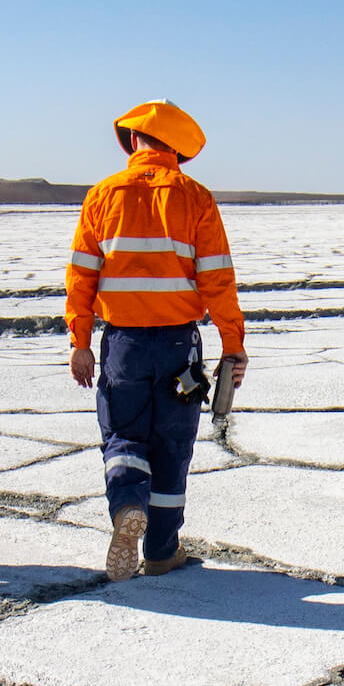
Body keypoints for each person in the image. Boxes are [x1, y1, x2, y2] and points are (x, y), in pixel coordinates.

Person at [66, 100, 247, 581]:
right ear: (176, 146)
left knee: (124, 435)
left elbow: (81, 277)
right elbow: (217, 280)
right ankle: (163, 550)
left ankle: (127, 504)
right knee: (171, 444)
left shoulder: (103, 195)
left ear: (134, 140)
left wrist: (80, 341)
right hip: (178, 349)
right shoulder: (195, 197)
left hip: (122, 345)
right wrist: (234, 343)